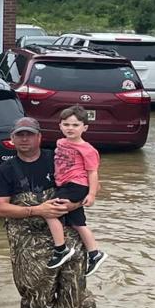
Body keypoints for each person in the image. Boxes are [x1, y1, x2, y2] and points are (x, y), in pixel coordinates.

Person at [0, 117, 95, 308]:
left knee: (74, 287)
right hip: (27, 234)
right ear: (12, 139)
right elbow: (0, 208)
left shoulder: (58, 157)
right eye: (20, 135)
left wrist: (72, 205)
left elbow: (90, 182)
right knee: (36, 293)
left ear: (40, 137)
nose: (25, 139)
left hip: (66, 230)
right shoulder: (5, 170)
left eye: (29, 134)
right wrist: (37, 210)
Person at [46, 107, 108, 275]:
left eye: (75, 125)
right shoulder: (60, 143)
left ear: (84, 128)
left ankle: (61, 250)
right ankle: (95, 253)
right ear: (60, 126)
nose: (70, 128)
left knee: (49, 212)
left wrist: (92, 194)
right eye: (66, 124)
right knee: (78, 223)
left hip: (77, 185)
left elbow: (92, 172)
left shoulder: (88, 149)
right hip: (64, 185)